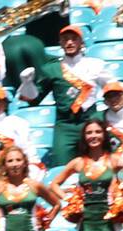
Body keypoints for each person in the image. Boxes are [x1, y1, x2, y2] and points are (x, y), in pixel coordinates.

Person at [15, 23, 107, 168]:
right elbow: (33, 99)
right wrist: (27, 84)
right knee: (61, 166)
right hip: (65, 125)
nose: (69, 42)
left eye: (73, 39)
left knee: (101, 163)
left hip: (90, 121)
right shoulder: (51, 69)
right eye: (65, 39)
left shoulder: (96, 65)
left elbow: (112, 89)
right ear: (60, 43)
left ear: (81, 42)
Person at [50, 119, 123, 231]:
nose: (93, 136)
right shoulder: (78, 162)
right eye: (89, 133)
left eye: (98, 132)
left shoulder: (115, 160)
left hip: (110, 219)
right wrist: (69, 199)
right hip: (86, 220)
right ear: (84, 137)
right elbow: (54, 184)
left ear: (104, 135)